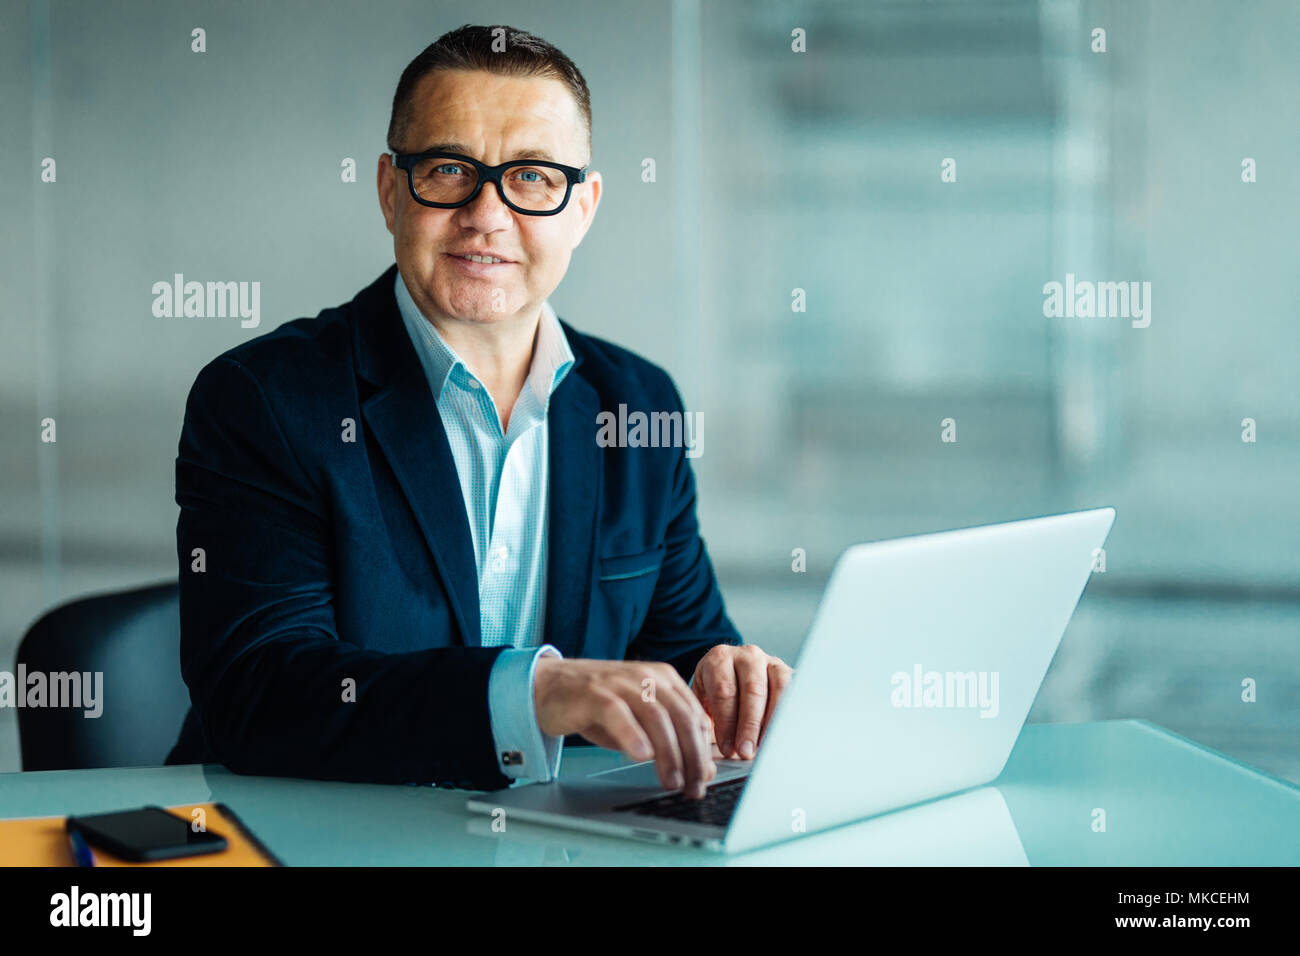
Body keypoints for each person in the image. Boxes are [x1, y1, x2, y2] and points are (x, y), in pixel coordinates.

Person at [166, 24, 792, 799]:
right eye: (450, 168)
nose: (486, 214)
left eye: (531, 177)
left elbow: (681, 650)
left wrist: (724, 678)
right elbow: (259, 692)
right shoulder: (264, 399)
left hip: (557, 843)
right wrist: (528, 695)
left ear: (583, 207)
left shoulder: (639, 404)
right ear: (392, 191)